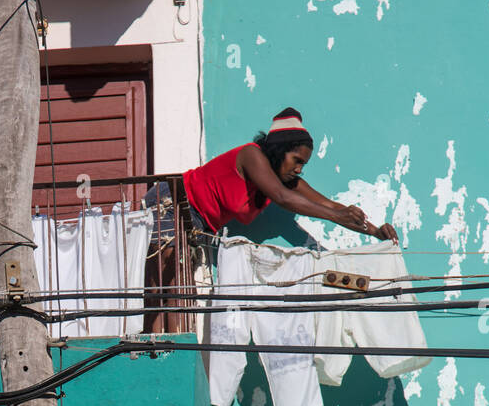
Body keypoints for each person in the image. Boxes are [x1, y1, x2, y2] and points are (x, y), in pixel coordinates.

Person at [143, 108, 398, 331]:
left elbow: (328, 205)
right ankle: (154, 344)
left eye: (303, 164)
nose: (299, 169)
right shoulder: (251, 155)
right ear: (279, 150)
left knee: (176, 290)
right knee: (167, 287)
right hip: (175, 204)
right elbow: (282, 197)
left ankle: (161, 343)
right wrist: (337, 214)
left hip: (199, 225)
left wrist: (375, 231)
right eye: (296, 160)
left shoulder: (285, 180)